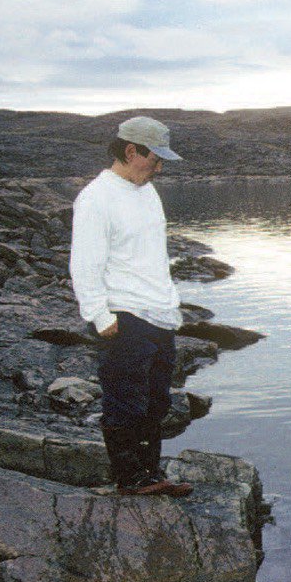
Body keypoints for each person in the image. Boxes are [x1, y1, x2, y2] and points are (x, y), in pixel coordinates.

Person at [69, 116, 192, 497]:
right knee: (126, 398)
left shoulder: (146, 192)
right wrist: (98, 315)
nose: (158, 168)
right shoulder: (96, 198)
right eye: (153, 159)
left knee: (157, 399)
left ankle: (150, 472)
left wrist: (170, 303)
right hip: (123, 314)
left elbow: (152, 253)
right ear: (130, 151)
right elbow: (84, 262)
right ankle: (129, 477)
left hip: (158, 312)